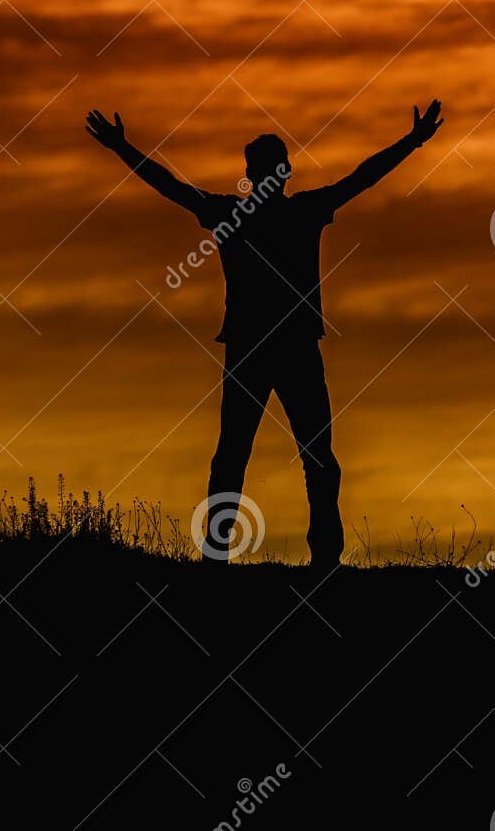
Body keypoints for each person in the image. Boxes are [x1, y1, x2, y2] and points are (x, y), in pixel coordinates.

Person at [85, 100, 445, 568]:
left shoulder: (243, 213)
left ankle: (250, 556)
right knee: (293, 457)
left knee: (258, 456)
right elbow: (360, 178)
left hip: (262, 348)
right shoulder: (293, 212)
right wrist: (411, 142)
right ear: (278, 172)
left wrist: (122, 148)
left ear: (254, 173)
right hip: (278, 348)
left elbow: (173, 187)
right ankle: (301, 559)